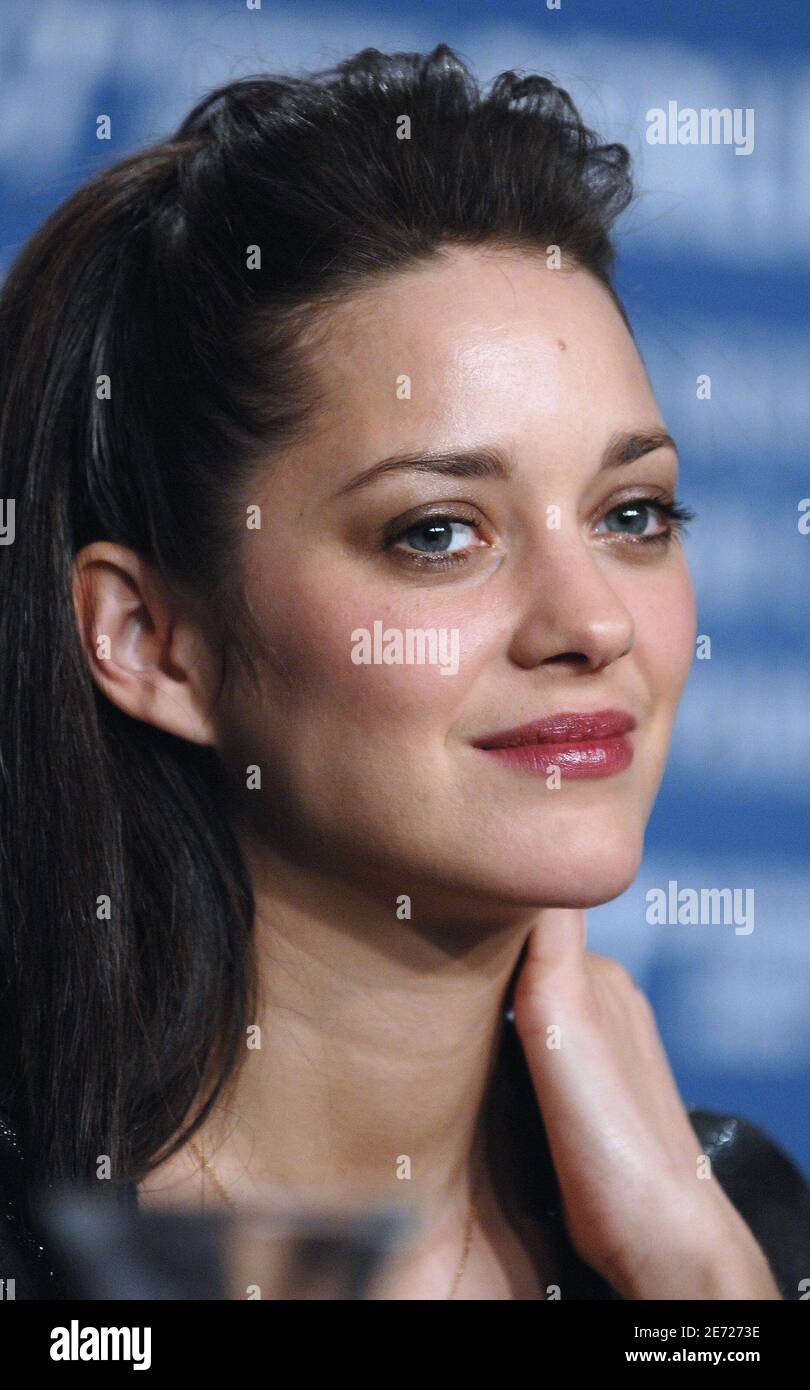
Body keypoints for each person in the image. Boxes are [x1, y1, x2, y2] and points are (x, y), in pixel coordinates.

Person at [0, 43, 807, 1301]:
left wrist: (699, 1284)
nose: (591, 620)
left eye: (634, 515)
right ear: (152, 641)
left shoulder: (733, 1221)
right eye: (438, 532)